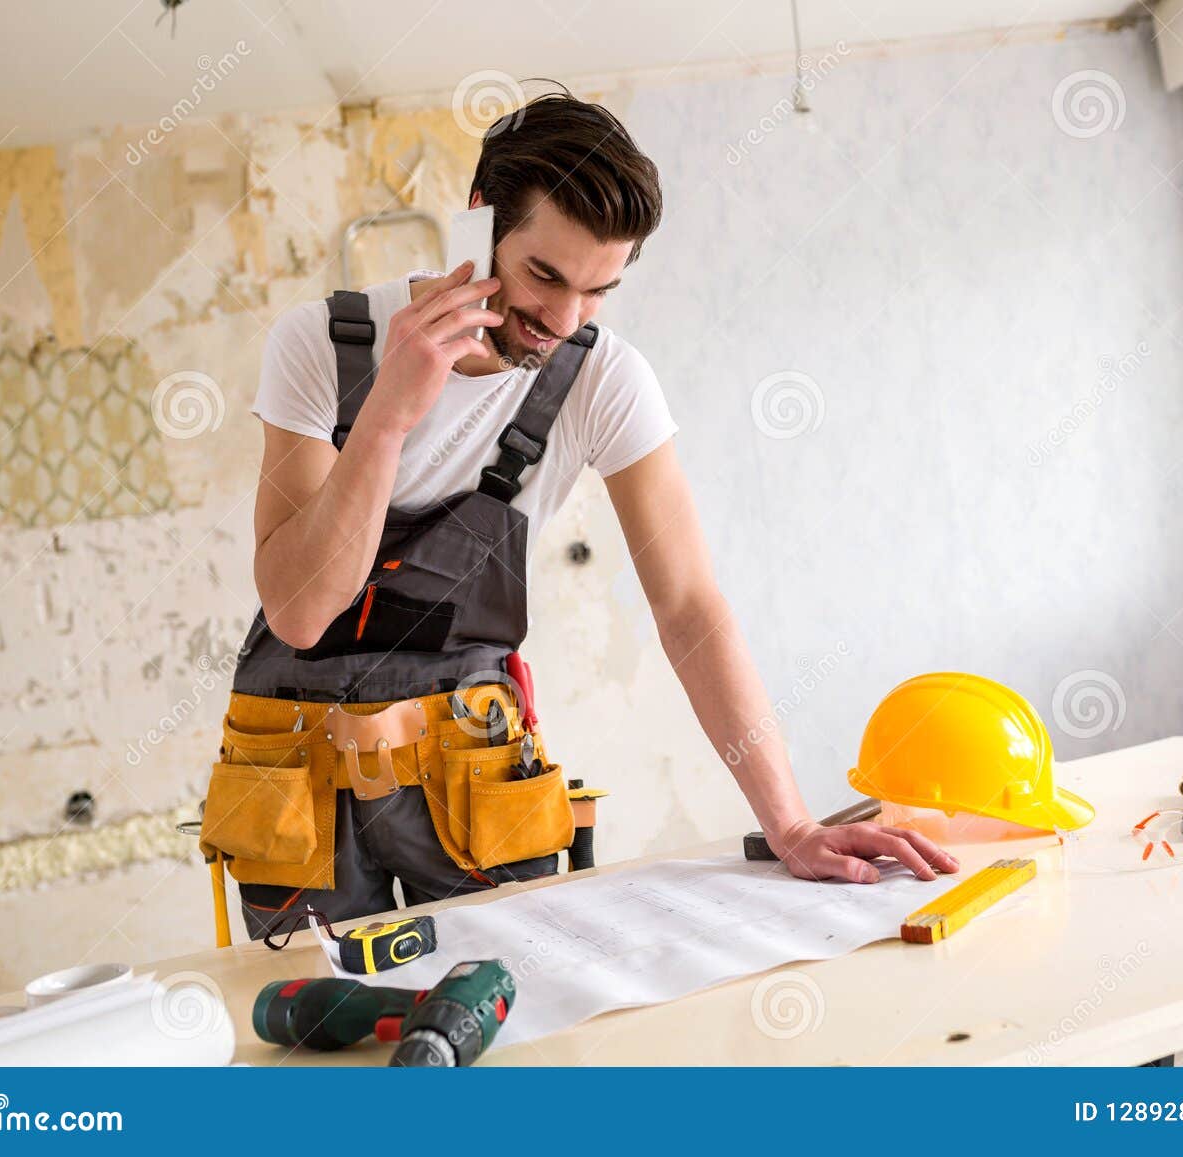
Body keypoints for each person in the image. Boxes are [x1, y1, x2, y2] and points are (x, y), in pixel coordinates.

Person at [204, 91, 958, 939]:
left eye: (599, 290)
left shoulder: (604, 382)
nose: (563, 321)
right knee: (321, 1045)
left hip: (473, 775)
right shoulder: (320, 344)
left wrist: (789, 824)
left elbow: (688, 607)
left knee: (508, 1021)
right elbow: (301, 610)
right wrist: (385, 415)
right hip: (295, 785)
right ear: (478, 219)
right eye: (545, 275)